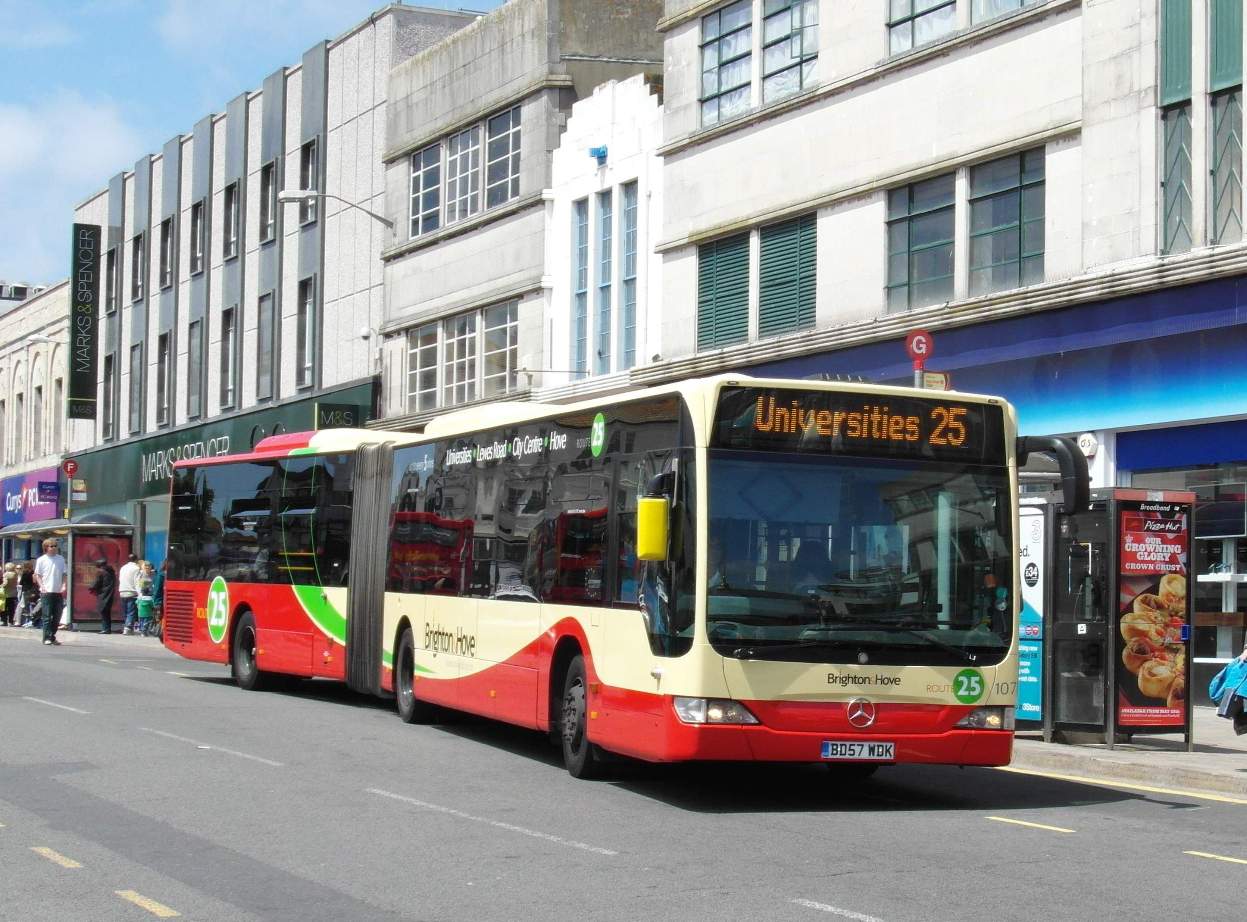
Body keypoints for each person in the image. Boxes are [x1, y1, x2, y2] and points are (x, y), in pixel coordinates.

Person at [33, 538, 67, 646]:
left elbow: (64, 574)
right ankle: (47, 637)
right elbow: (38, 575)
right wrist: (42, 586)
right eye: (51, 546)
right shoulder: (41, 560)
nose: (54, 548)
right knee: (47, 616)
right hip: (46, 591)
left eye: (55, 546)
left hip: (58, 591)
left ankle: (52, 636)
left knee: (57, 615)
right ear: (46, 548)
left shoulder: (60, 559)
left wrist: (64, 585)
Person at [89, 558, 117, 634]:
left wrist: (91, 587)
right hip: (110, 593)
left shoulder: (101, 572)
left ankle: (105, 629)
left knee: (103, 612)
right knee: (107, 612)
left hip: (103, 594)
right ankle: (107, 628)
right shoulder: (111, 571)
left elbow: (96, 583)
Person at [118, 553, 140, 635]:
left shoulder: (123, 567)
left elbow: (120, 579)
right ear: (136, 559)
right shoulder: (136, 568)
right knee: (131, 612)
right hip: (132, 592)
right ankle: (128, 628)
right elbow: (137, 582)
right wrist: (139, 593)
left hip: (122, 591)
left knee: (125, 611)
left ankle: (126, 627)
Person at [136, 561, 154, 635]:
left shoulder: (151, 574)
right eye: (145, 566)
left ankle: (144, 629)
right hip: (142, 594)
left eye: (148, 566)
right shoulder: (140, 574)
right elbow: (138, 585)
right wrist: (140, 594)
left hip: (148, 594)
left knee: (144, 617)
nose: (147, 567)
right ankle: (142, 629)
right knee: (144, 617)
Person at [19, 562, 38, 627]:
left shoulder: (25, 573)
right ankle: (32, 620)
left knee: (25, 606)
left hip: (26, 590)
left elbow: (21, 583)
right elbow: (34, 582)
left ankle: (26, 621)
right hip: (33, 590)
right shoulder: (33, 573)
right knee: (32, 605)